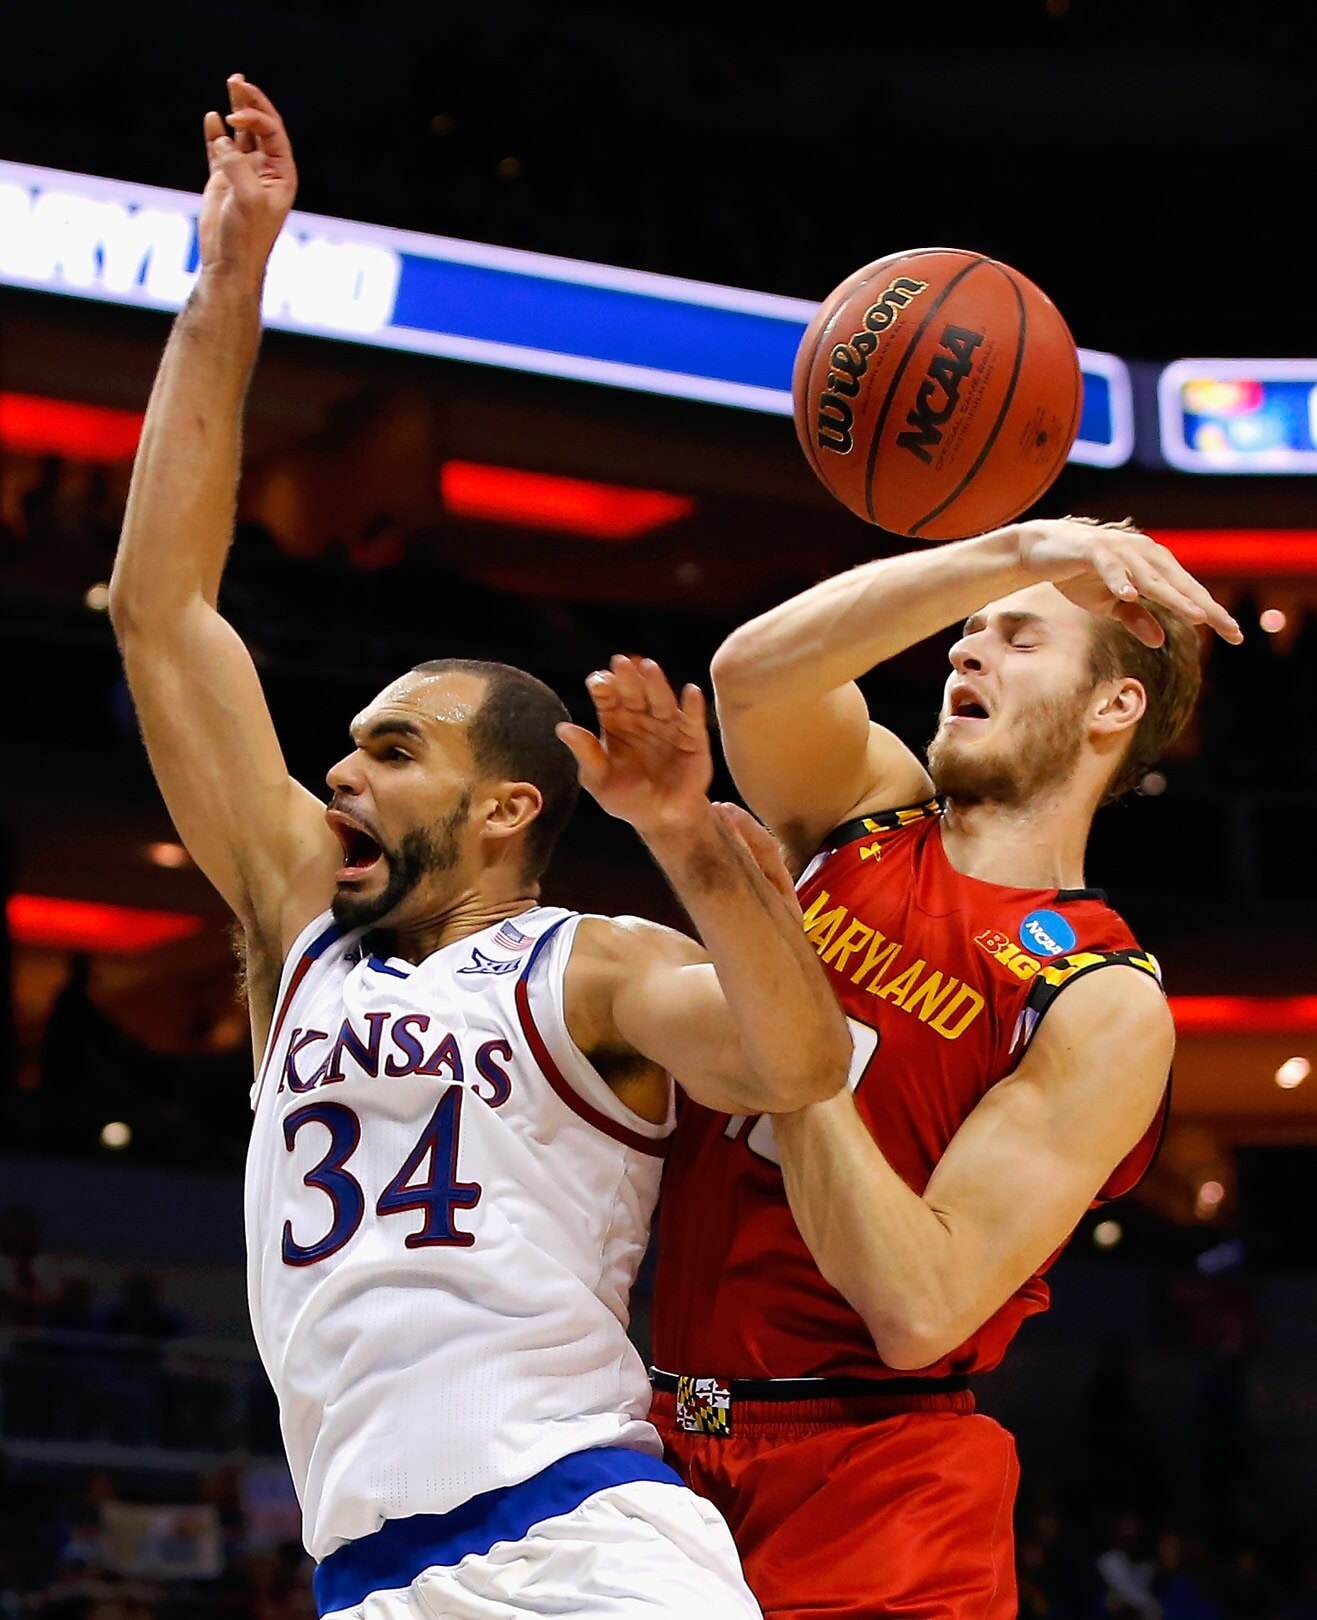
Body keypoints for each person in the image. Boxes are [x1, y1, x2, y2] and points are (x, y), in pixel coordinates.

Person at [107, 76, 850, 1620]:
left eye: (392, 750)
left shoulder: (592, 966)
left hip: (585, 1538)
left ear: (510, 806)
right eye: (349, 745)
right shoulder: (300, 924)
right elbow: (161, 609)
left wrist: (695, 853)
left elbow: (797, 1062)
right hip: (367, 1576)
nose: (340, 770)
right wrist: (231, 279)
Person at [649, 518, 1242, 1618]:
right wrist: (1014, 553)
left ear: (1114, 707)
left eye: (1020, 640)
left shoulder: (1102, 998)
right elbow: (751, 674)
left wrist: (794, 1031)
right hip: (658, 1449)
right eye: (965, 634)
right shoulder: (868, 809)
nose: (966, 652)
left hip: (875, 1491)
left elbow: (918, 1307)